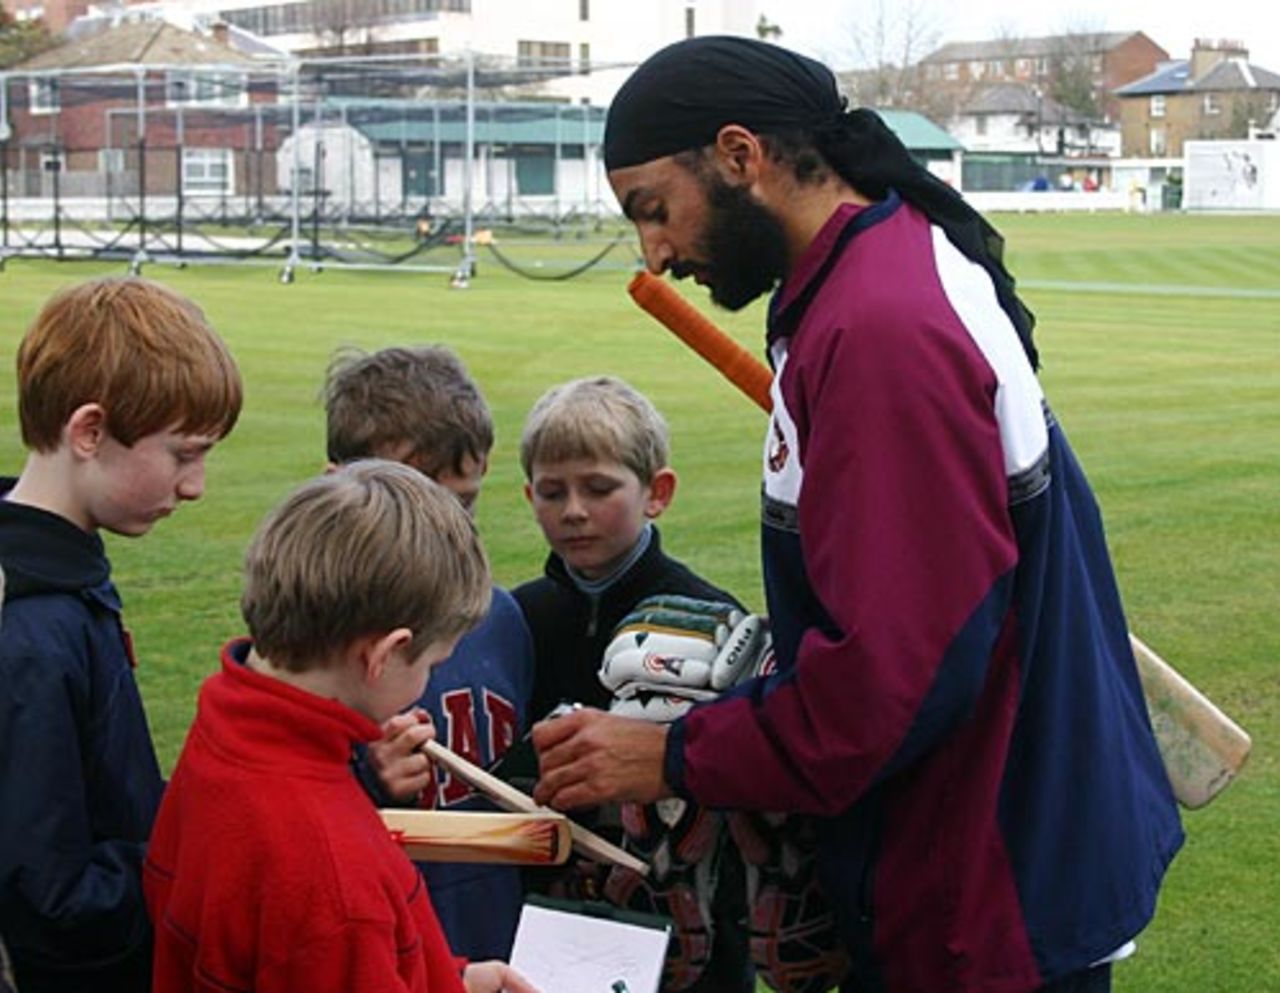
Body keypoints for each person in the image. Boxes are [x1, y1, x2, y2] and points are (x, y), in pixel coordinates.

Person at [531, 35, 1184, 993]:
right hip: (989, 850)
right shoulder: (877, 269)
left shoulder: (880, 330)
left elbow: (893, 686)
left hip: (985, 893)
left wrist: (672, 751)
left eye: (654, 210)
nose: (655, 253)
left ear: (740, 156)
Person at [142, 461, 538, 993]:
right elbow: (339, 938)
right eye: (432, 665)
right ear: (385, 654)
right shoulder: (333, 880)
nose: (428, 681)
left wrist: (452, 979)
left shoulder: (225, 728)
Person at [0, 277, 243, 993]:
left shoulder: (61, 575)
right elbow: (53, 900)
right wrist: (200, 855)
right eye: (182, 453)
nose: (196, 484)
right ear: (89, 431)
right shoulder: (31, 632)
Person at [512, 376, 754, 993]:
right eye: (551, 491)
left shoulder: (714, 621)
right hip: (547, 928)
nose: (572, 510)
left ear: (657, 492)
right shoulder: (516, 621)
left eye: (598, 488)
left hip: (691, 943)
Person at [323, 345, 536, 961]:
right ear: (338, 486)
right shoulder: (310, 649)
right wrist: (371, 783)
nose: (443, 532)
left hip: (494, 941)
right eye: (411, 503)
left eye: (462, 504)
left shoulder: (500, 619)